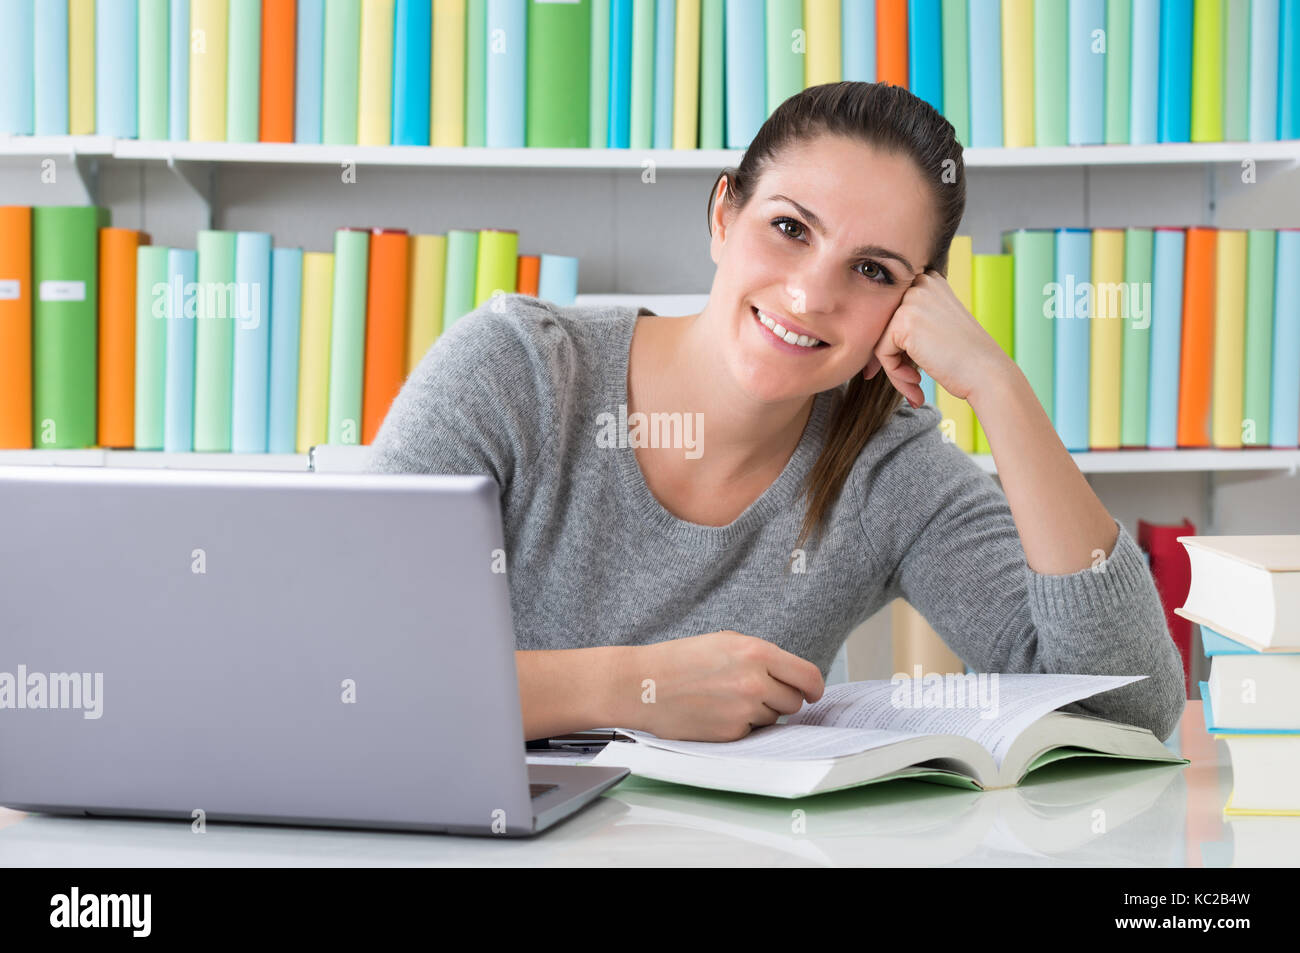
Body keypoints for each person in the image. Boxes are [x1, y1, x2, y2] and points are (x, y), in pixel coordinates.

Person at [368, 81, 1185, 745]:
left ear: (915, 302)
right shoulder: (519, 370)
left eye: (872, 270)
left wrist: (1000, 388)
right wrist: (634, 688)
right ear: (724, 215)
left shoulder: (885, 470)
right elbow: (353, 666)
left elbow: (1127, 709)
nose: (810, 293)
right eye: (789, 227)